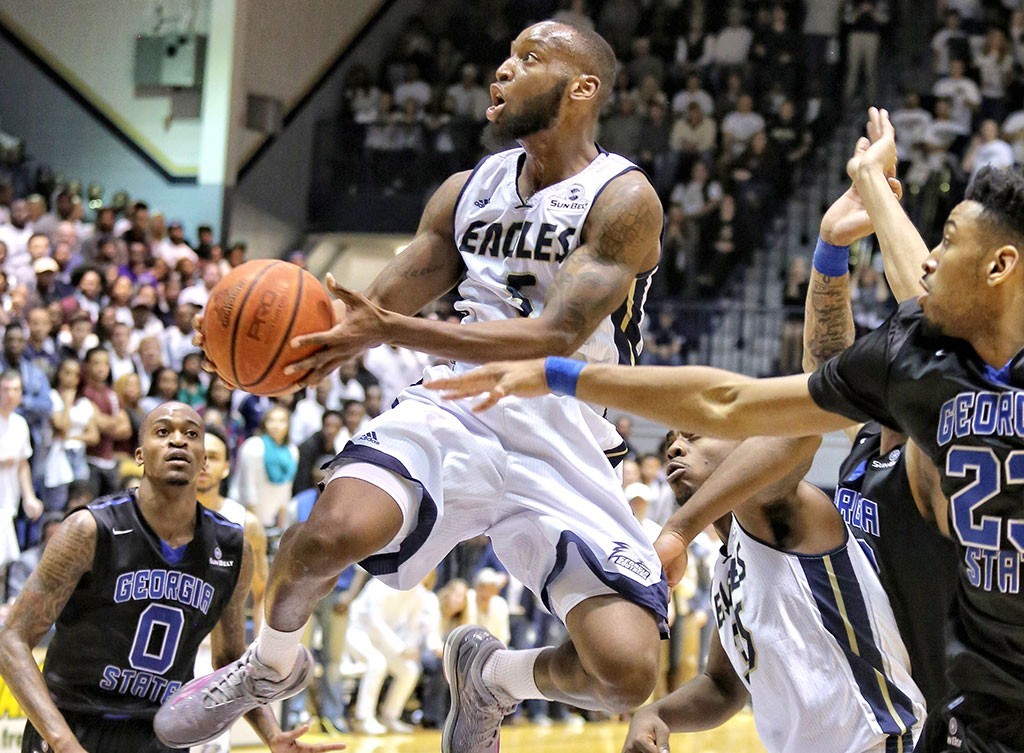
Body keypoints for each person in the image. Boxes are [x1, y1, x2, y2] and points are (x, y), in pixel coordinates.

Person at [426, 108, 1024, 751]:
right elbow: (734, 399)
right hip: (964, 716)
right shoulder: (914, 387)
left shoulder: (814, 489)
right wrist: (850, 217)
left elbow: (778, 415)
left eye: (948, 242)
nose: (928, 260)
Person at [159, 21, 667, 753]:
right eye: (506, 55)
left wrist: (389, 330)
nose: (502, 69)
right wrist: (295, 350)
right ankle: (268, 666)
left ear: (581, 89)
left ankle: (493, 676)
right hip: (457, 406)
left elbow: (553, 337)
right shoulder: (468, 190)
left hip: (569, 431)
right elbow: (378, 304)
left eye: (528, 60)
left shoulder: (623, 199)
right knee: (326, 535)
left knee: (625, 673)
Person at [0, 402, 343, 753]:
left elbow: (230, 663)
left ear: (205, 460)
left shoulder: (231, 547)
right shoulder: (89, 530)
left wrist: (272, 735)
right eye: (163, 432)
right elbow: (11, 639)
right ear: (139, 455)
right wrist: (61, 742)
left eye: (191, 434)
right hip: (74, 726)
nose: (178, 441)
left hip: (161, 736)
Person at [620, 427, 925, 753]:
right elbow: (722, 686)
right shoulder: (726, 566)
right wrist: (656, 712)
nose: (675, 450)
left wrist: (679, 530)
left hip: (878, 741)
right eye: (671, 444)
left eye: (693, 436)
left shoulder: (777, 510)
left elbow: (799, 437)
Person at [0, 371, 42, 562]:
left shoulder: (20, 424)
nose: (10, 395)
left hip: (8, 501)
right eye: (5, 389)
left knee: (7, 563)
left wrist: (29, 497)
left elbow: (22, 463)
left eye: (15, 390)